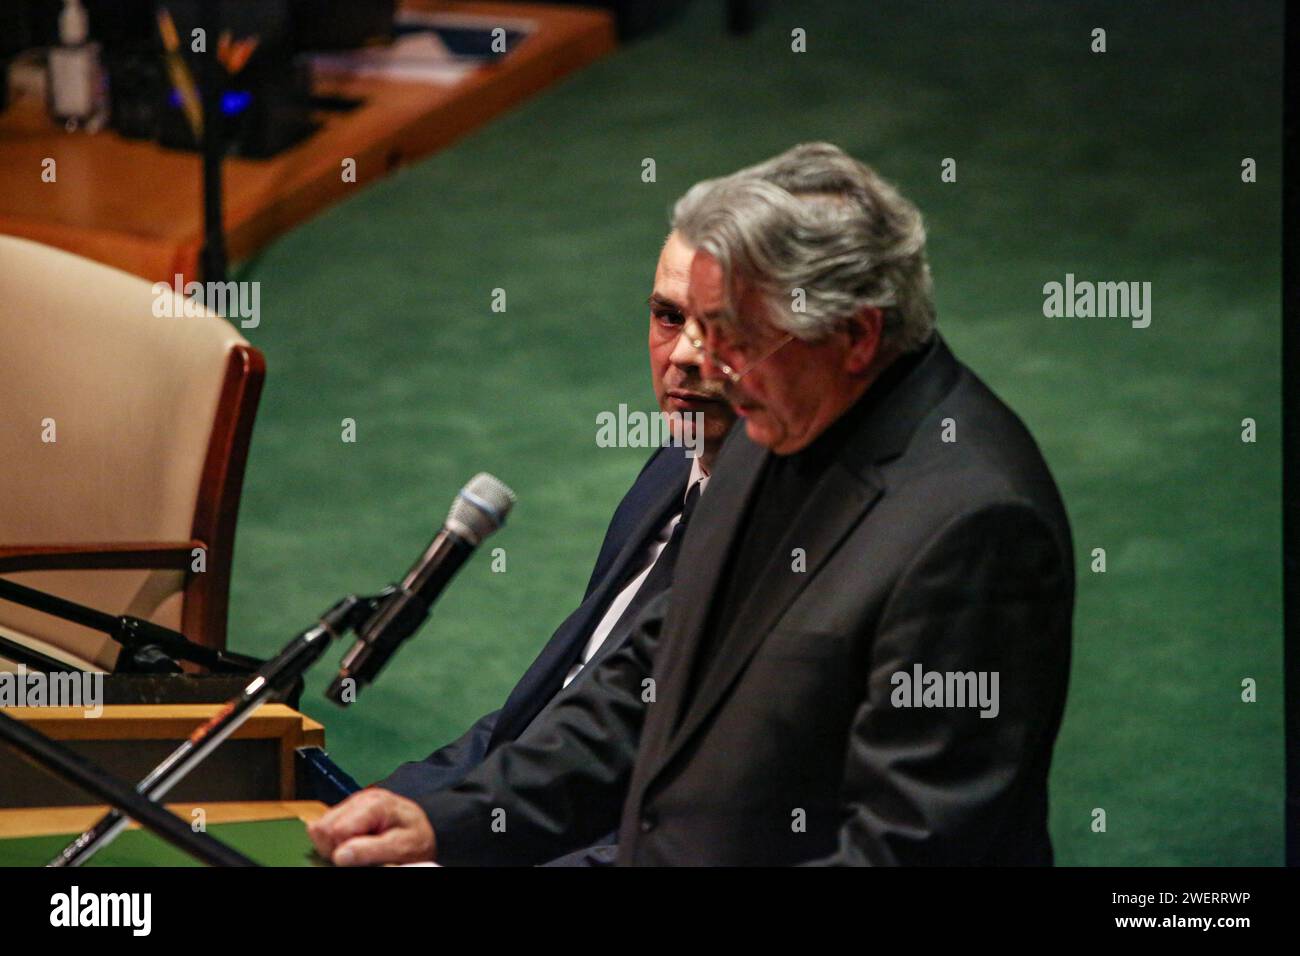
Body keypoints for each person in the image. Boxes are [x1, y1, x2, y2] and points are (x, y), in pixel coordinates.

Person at [310, 142, 1074, 866]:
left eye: (735, 334)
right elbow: (642, 690)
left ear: (855, 336)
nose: (701, 364)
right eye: (693, 325)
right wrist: (452, 822)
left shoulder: (976, 530)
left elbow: (907, 849)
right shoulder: (768, 418)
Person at [368, 231, 735, 862]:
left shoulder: (793, 545)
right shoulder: (674, 465)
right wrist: (407, 804)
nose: (682, 357)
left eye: (720, 328)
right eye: (668, 318)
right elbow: (556, 709)